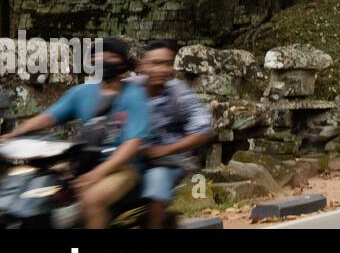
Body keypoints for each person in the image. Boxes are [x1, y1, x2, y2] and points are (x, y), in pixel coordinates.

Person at [0, 37, 150, 228]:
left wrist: (97, 174)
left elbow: (131, 145)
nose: (102, 60)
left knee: (92, 200)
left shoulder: (134, 96)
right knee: (34, 188)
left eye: (109, 56)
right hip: (82, 159)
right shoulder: (81, 93)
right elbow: (48, 117)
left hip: (121, 167)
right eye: (97, 56)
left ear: (122, 62)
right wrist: (13, 135)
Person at [132, 41, 216, 228]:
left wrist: (163, 151)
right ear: (141, 66)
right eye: (155, 63)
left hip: (169, 161)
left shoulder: (179, 92)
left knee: (156, 181)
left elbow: (204, 129)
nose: (161, 69)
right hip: (131, 155)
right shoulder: (129, 89)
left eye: (166, 63)